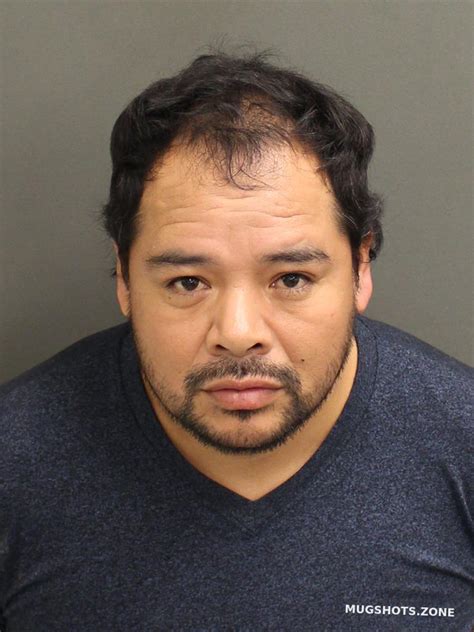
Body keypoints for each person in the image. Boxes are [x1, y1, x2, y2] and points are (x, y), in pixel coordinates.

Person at [0, 51, 472, 631]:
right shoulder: (14, 460)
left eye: (291, 279)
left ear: (360, 267)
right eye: (188, 282)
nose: (239, 335)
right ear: (123, 278)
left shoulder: (463, 443)